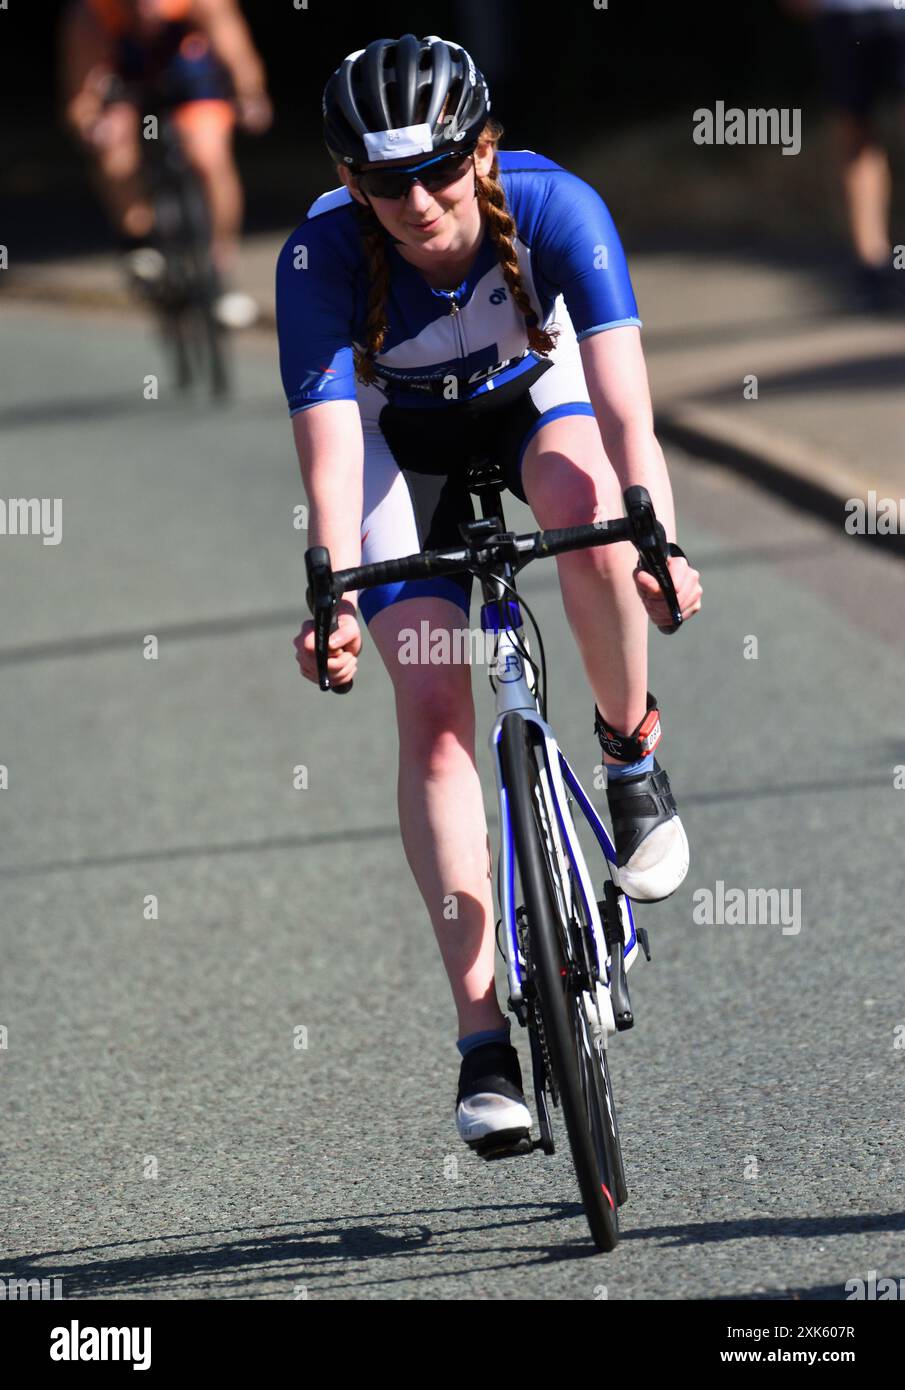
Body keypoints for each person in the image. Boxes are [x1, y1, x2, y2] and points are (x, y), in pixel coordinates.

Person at [277, 35, 702, 1152]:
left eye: (436, 169)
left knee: (591, 521)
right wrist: (328, 602)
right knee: (430, 713)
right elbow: (330, 456)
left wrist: (654, 535)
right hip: (398, 451)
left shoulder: (557, 205)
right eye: (379, 180)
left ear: (482, 148)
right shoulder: (320, 258)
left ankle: (629, 757)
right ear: (346, 179)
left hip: (531, 409)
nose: (412, 201)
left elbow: (624, 415)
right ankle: (482, 1041)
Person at [60, 0, 272, 327]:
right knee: (113, 144)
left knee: (208, 154)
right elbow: (82, 98)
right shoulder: (92, 13)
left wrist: (249, 96)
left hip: (189, 78)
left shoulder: (200, 5)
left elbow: (237, 55)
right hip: (126, 82)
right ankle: (139, 242)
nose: (145, 10)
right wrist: (91, 126)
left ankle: (219, 265)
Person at [784, 0, 905, 311]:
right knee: (856, 139)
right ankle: (873, 267)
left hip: (852, 14)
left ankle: (874, 269)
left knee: (856, 141)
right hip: (846, 14)